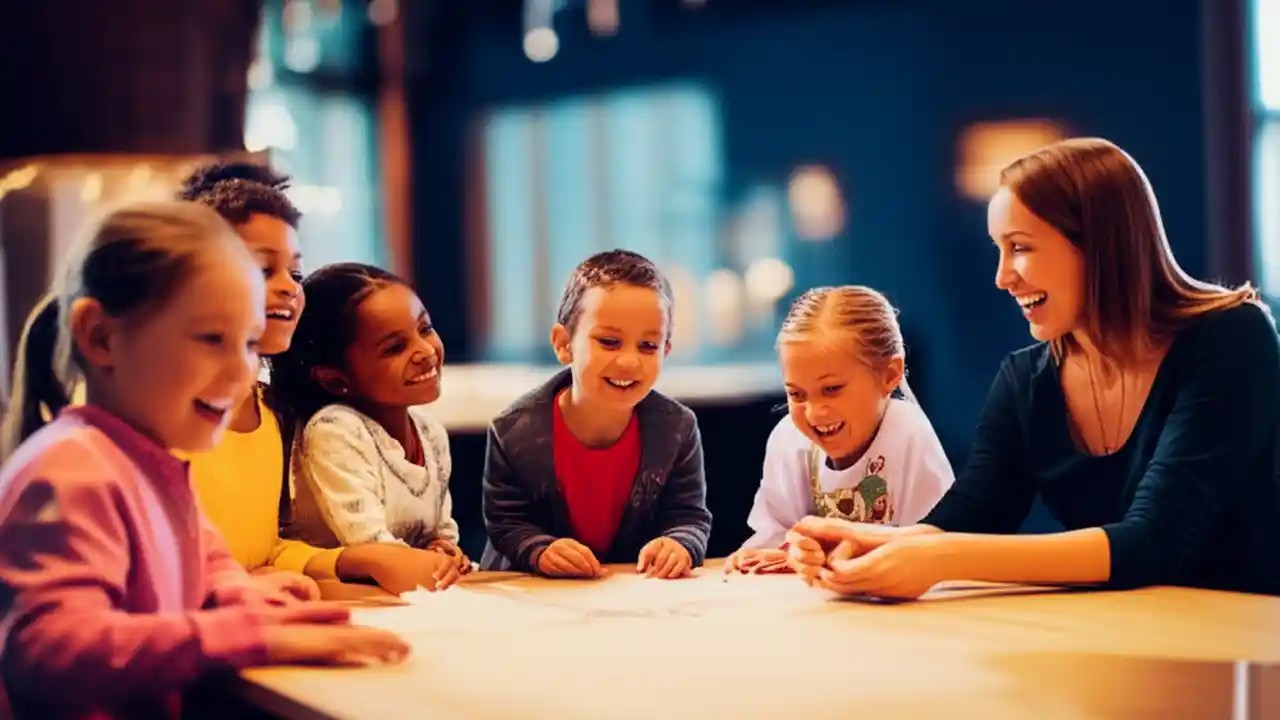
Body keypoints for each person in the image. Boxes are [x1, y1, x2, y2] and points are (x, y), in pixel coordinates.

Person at [788, 137, 1280, 599]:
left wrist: (939, 558)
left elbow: (1153, 542)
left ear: (1098, 244)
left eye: (1020, 247)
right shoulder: (1025, 380)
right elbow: (968, 518)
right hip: (1124, 638)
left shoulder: (1231, 337)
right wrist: (857, 542)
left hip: (1242, 641)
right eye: (998, 250)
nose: (1002, 277)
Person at [0, 202, 407, 718]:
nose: (240, 372)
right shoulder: (73, 470)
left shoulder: (151, 460)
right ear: (101, 337)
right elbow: (48, 647)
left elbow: (208, 560)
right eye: (212, 339)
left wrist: (240, 596)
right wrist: (242, 634)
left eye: (250, 344)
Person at [481, 250, 712, 579]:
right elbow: (506, 522)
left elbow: (688, 516)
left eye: (648, 346)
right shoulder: (513, 430)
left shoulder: (678, 428)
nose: (629, 361)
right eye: (609, 341)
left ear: (666, 350)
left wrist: (679, 544)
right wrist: (540, 550)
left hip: (628, 594)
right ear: (564, 344)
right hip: (533, 593)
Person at [726, 286, 952, 575]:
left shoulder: (908, 434)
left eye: (832, 389)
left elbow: (932, 545)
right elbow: (776, 535)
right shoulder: (788, 439)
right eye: (796, 395)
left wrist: (829, 553)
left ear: (890, 374)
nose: (813, 413)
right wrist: (779, 552)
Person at [273, 263, 470, 593]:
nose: (425, 351)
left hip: (407, 593)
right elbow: (376, 548)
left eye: (425, 329)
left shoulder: (431, 433)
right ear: (335, 380)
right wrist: (432, 563)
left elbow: (439, 533)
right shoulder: (334, 430)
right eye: (395, 348)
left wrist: (445, 551)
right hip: (344, 596)